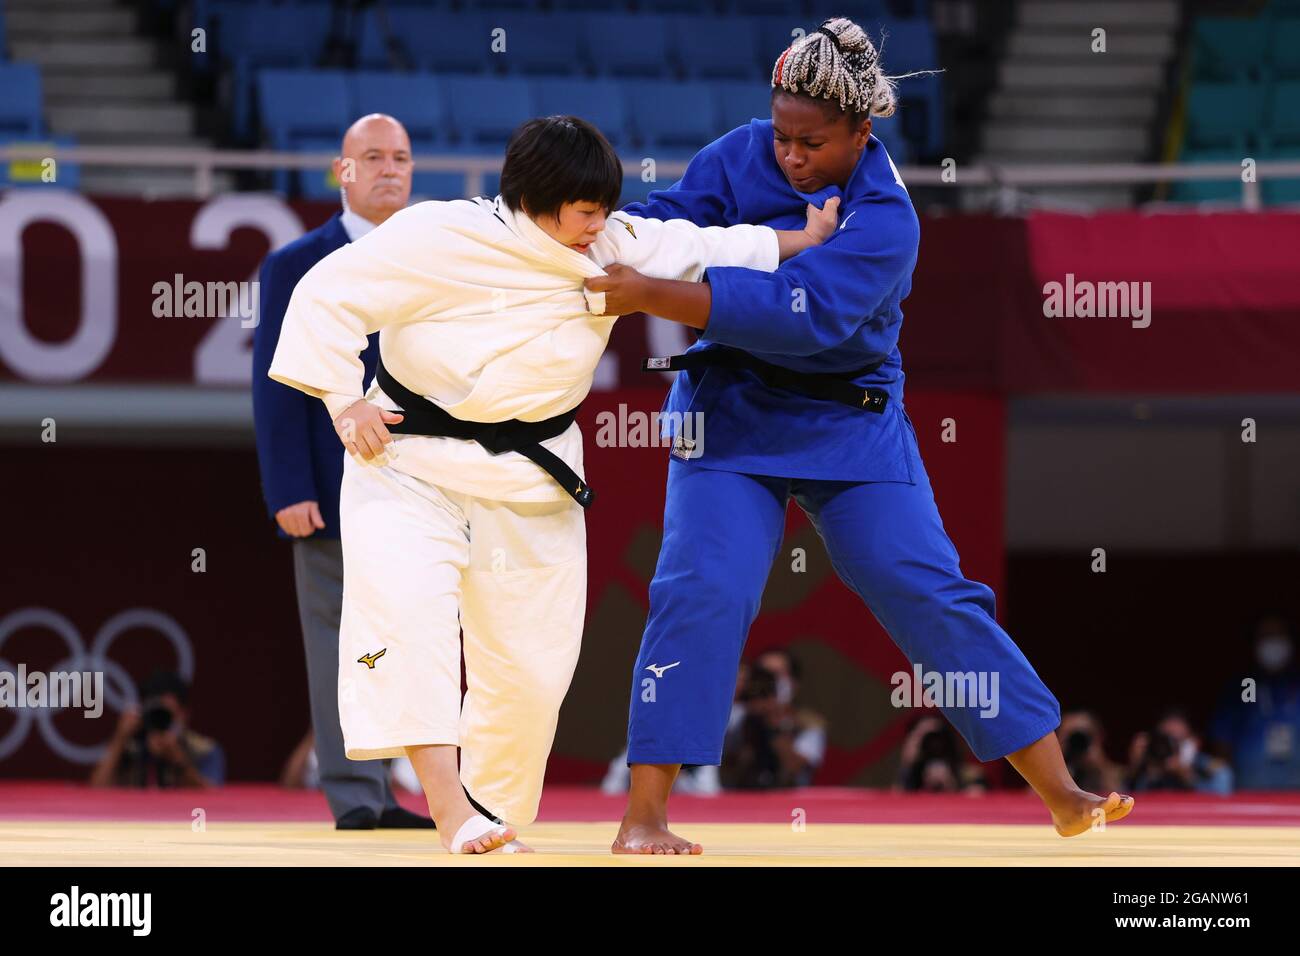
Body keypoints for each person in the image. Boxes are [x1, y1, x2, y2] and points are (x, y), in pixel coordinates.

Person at [587, 18, 1135, 854]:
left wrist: (653, 296)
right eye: (782, 137)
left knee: (931, 594)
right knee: (702, 590)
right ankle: (645, 816)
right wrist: (605, 233)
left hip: (852, 420)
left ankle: (1062, 792)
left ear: (861, 133)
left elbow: (797, 317)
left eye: (812, 143)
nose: (791, 157)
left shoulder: (887, 219)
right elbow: (669, 227)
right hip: (729, 409)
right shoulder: (737, 155)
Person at [267, 115, 838, 853]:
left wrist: (806, 241)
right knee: (408, 628)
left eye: (605, 209)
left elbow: (709, 246)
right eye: (587, 209)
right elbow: (325, 293)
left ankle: (488, 810)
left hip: (534, 475)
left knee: (533, 670)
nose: (600, 224)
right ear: (539, 197)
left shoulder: (609, 244)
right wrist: (344, 398)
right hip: (409, 466)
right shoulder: (438, 236)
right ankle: (449, 811)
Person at [253, 113, 433, 830]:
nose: (391, 168)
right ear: (343, 171)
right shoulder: (295, 263)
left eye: (402, 157)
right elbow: (277, 385)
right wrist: (289, 486)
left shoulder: (433, 255)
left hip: (423, 486)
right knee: (337, 641)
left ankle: (393, 788)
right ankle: (356, 796)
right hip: (330, 485)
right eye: (374, 157)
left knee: (409, 640)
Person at [90, 670, 225, 789]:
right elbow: (97, 790)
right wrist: (119, 739)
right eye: (156, 713)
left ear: (184, 715)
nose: (160, 720)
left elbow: (213, 799)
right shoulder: (130, 746)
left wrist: (178, 760)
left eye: (167, 715)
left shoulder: (205, 750)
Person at [1210, 615, 1300, 789]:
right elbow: (1222, 742)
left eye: (1278, 635)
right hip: (1250, 791)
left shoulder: (1296, 683)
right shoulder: (1247, 685)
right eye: (1266, 636)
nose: (1272, 643)